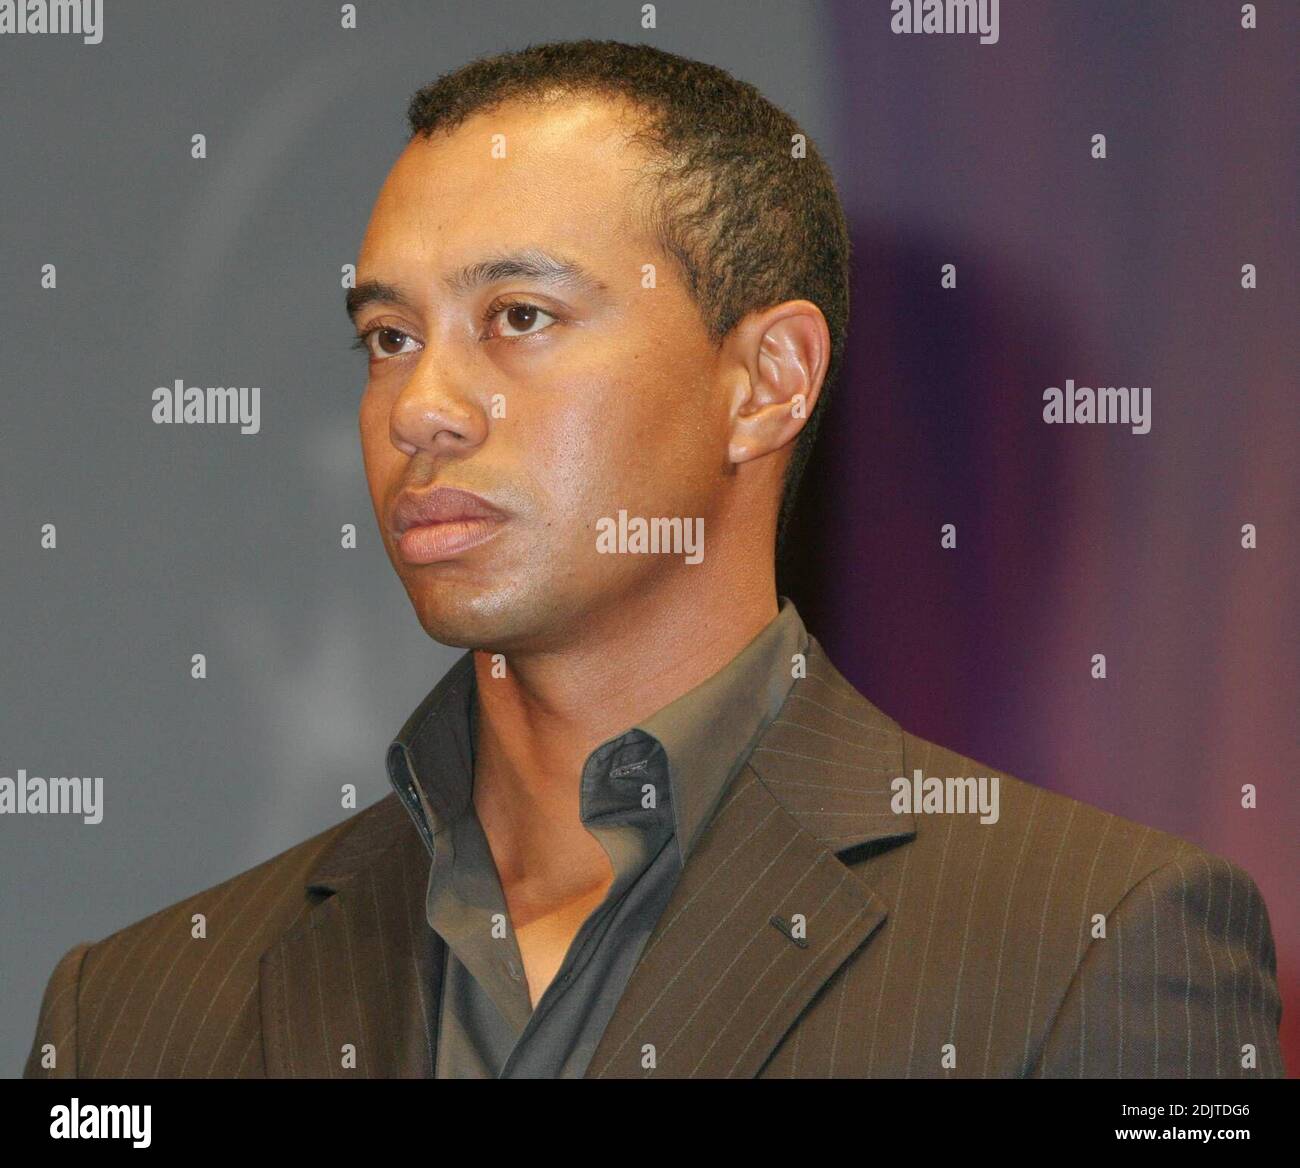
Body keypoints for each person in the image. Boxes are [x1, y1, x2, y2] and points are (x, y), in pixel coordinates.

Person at [24, 39, 1283, 1079]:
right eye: (389, 335)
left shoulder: (1096, 942)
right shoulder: (132, 1008)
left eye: (520, 318)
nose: (422, 406)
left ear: (765, 383)